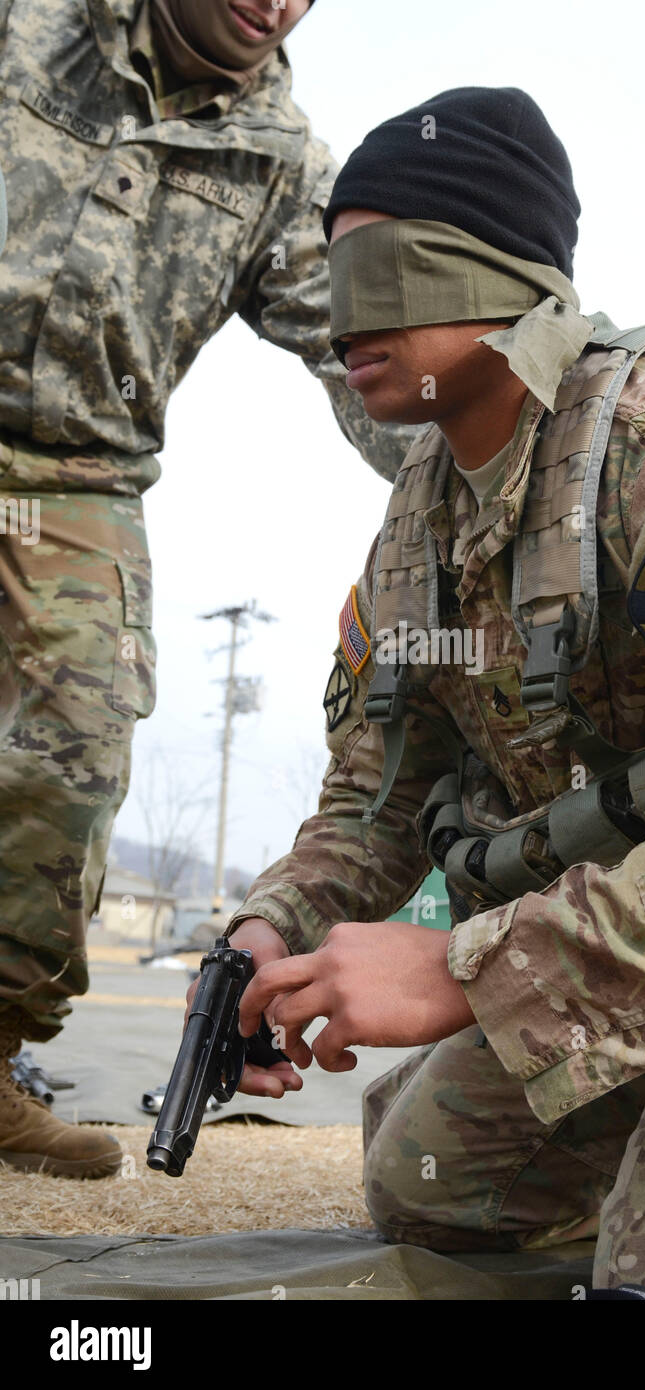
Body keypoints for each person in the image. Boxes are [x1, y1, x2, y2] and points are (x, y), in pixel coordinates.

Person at [219, 88, 645, 1299]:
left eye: (390, 267)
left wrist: (467, 973)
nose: (348, 312)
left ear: (507, 278)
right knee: (435, 1184)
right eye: (332, 268)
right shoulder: (422, 522)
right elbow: (377, 800)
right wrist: (265, 934)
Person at [0, 0, 412, 1179]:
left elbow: (364, 347)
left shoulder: (281, 164)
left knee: (68, 756)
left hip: (78, 473)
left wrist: (488, 466)